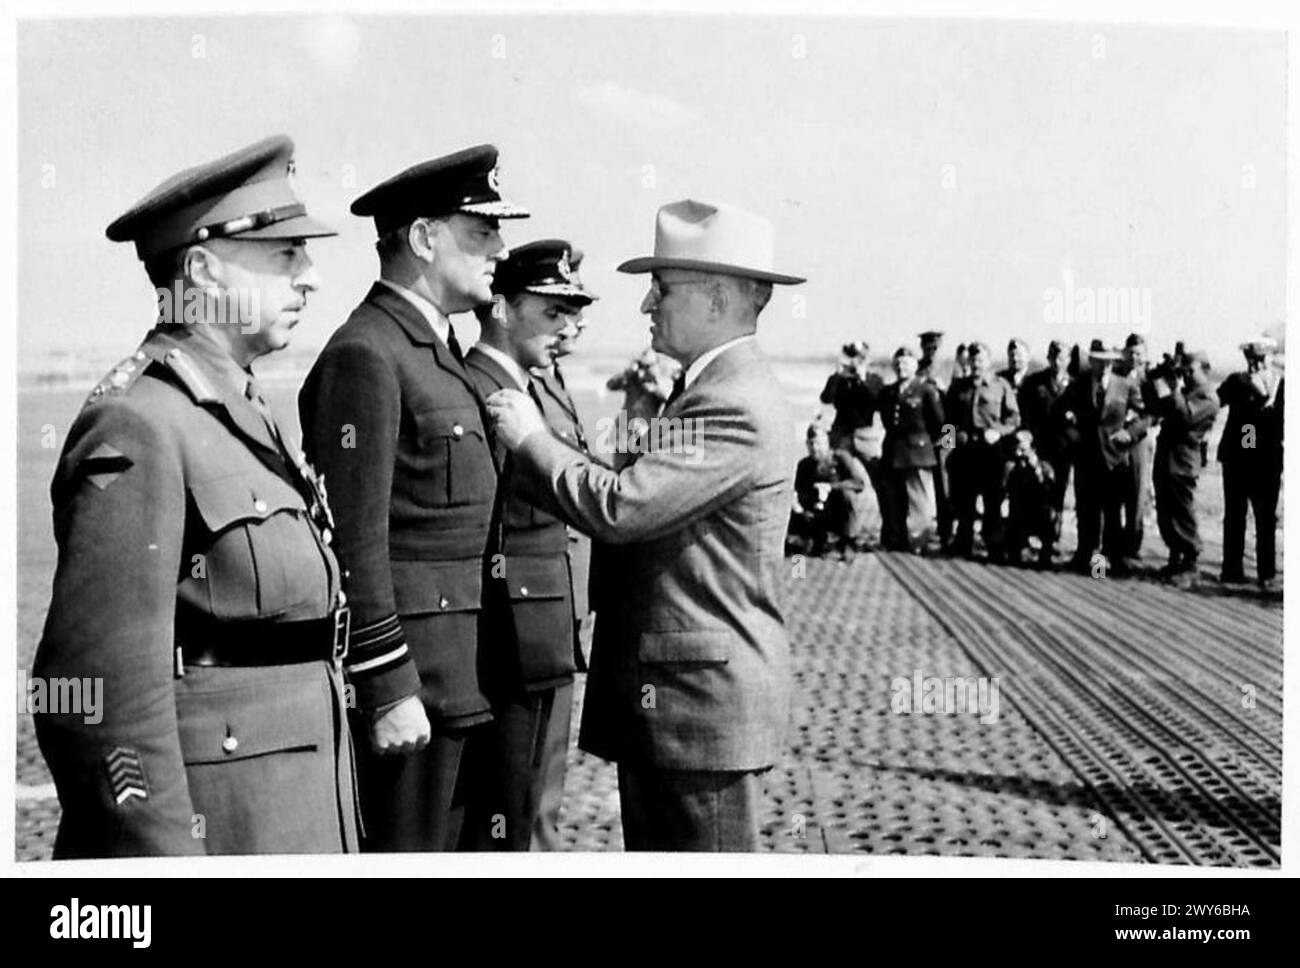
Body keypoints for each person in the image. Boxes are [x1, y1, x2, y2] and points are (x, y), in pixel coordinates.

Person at [33, 135, 358, 857]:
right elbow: (92, 694)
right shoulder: (139, 421)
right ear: (204, 270)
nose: (310, 278)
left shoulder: (237, 407)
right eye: (286, 256)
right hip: (223, 833)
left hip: (292, 816)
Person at [486, 198, 803, 850]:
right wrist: (637, 411)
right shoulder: (705, 389)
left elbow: (623, 508)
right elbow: (656, 497)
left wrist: (530, 438)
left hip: (699, 713)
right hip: (680, 707)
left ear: (717, 299)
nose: (646, 306)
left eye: (662, 289)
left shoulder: (734, 402)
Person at [298, 144, 528, 851]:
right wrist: (388, 685)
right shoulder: (367, 354)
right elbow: (355, 541)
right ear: (425, 239)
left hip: (466, 684)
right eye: (482, 232)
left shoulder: (435, 352)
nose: (500, 251)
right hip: (418, 694)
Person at [464, 240, 595, 850]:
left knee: (537, 809)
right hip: (511, 637)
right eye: (552, 313)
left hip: (546, 628)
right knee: (514, 818)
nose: (568, 329)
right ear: (500, 308)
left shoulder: (531, 386)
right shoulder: (483, 390)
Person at [1054, 339, 1149, 576]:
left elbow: (1145, 416)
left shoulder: (1124, 385)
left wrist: (1130, 432)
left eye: (1109, 361)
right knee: (1087, 512)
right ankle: (1088, 558)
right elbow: (1058, 410)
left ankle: (1111, 561)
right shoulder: (1079, 385)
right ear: (1092, 361)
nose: (1104, 366)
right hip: (1086, 457)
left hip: (1114, 459)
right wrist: (1072, 433)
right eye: (1099, 361)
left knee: (1112, 513)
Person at [1216, 336, 1284, 590]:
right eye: (1251, 359)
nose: (1254, 364)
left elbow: (1279, 422)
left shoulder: (1282, 385)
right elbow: (1214, 402)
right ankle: (1231, 569)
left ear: (1270, 359)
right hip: (1237, 460)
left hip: (1266, 463)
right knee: (1234, 516)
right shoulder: (1236, 381)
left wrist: (1264, 394)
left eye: (1260, 359)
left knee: (1266, 518)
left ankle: (1267, 573)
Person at [1149, 349, 1219, 584]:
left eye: (1191, 371)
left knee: (1182, 513)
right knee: (1166, 512)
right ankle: (1175, 558)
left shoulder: (1208, 397)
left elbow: (1185, 416)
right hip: (1167, 458)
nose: (1186, 375)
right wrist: (1159, 378)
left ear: (1205, 371)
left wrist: (1175, 388)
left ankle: (1190, 562)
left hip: (1183, 462)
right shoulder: (1187, 392)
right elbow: (1159, 406)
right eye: (1184, 371)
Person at [945, 342, 1020, 560]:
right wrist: (948, 448)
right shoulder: (958, 387)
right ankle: (963, 542)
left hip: (991, 453)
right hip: (965, 452)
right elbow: (947, 420)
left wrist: (998, 431)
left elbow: (1014, 418)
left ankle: (994, 545)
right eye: (973, 360)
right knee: (964, 501)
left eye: (980, 360)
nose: (976, 364)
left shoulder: (1000, 385)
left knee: (992, 501)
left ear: (988, 362)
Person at [878, 346, 945, 552]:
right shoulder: (888, 392)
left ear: (915, 366)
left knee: (919, 503)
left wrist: (945, 451)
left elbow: (944, 424)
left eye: (906, 363)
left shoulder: (926, 390)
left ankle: (919, 541)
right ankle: (897, 539)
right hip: (892, 452)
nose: (901, 367)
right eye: (897, 364)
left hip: (919, 454)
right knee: (894, 499)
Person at [1017, 340, 1074, 558]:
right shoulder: (1034, 383)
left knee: (1058, 495)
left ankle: (1051, 541)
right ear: (1049, 358)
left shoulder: (1075, 384)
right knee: (1039, 494)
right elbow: (1025, 415)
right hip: (1041, 448)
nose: (1058, 362)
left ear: (1068, 360)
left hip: (1065, 450)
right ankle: (1038, 540)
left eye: (1062, 358)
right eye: (1054, 357)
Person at [789, 425, 869, 558]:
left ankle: (848, 542)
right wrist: (798, 507)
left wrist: (830, 487)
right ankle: (806, 550)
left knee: (848, 495)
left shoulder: (840, 458)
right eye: (811, 444)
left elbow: (859, 484)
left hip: (838, 509)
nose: (815, 448)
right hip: (815, 512)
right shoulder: (804, 465)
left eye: (819, 443)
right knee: (799, 551)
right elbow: (796, 490)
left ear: (826, 443)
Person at [1117, 333, 1154, 564]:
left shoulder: (1149, 379)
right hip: (1115, 440)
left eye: (1139, 353)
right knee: (1113, 492)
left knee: (1137, 493)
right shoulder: (1115, 376)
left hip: (1139, 440)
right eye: (1131, 352)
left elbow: (1153, 413)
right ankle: (1111, 545)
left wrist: (1132, 429)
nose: (1134, 357)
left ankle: (1132, 545)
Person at [1001, 430, 1059, 568]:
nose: (1018, 453)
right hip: (1019, 510)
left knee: (1051, 515)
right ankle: (1015, 550)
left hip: (1039, 509)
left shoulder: (1043, 466)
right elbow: (1005, 487)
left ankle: (1046, 553)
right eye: (1016, 449)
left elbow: (1051, 487)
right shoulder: (1011, 466)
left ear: (1032, 449)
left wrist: (1036, 470)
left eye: (1022, 449)